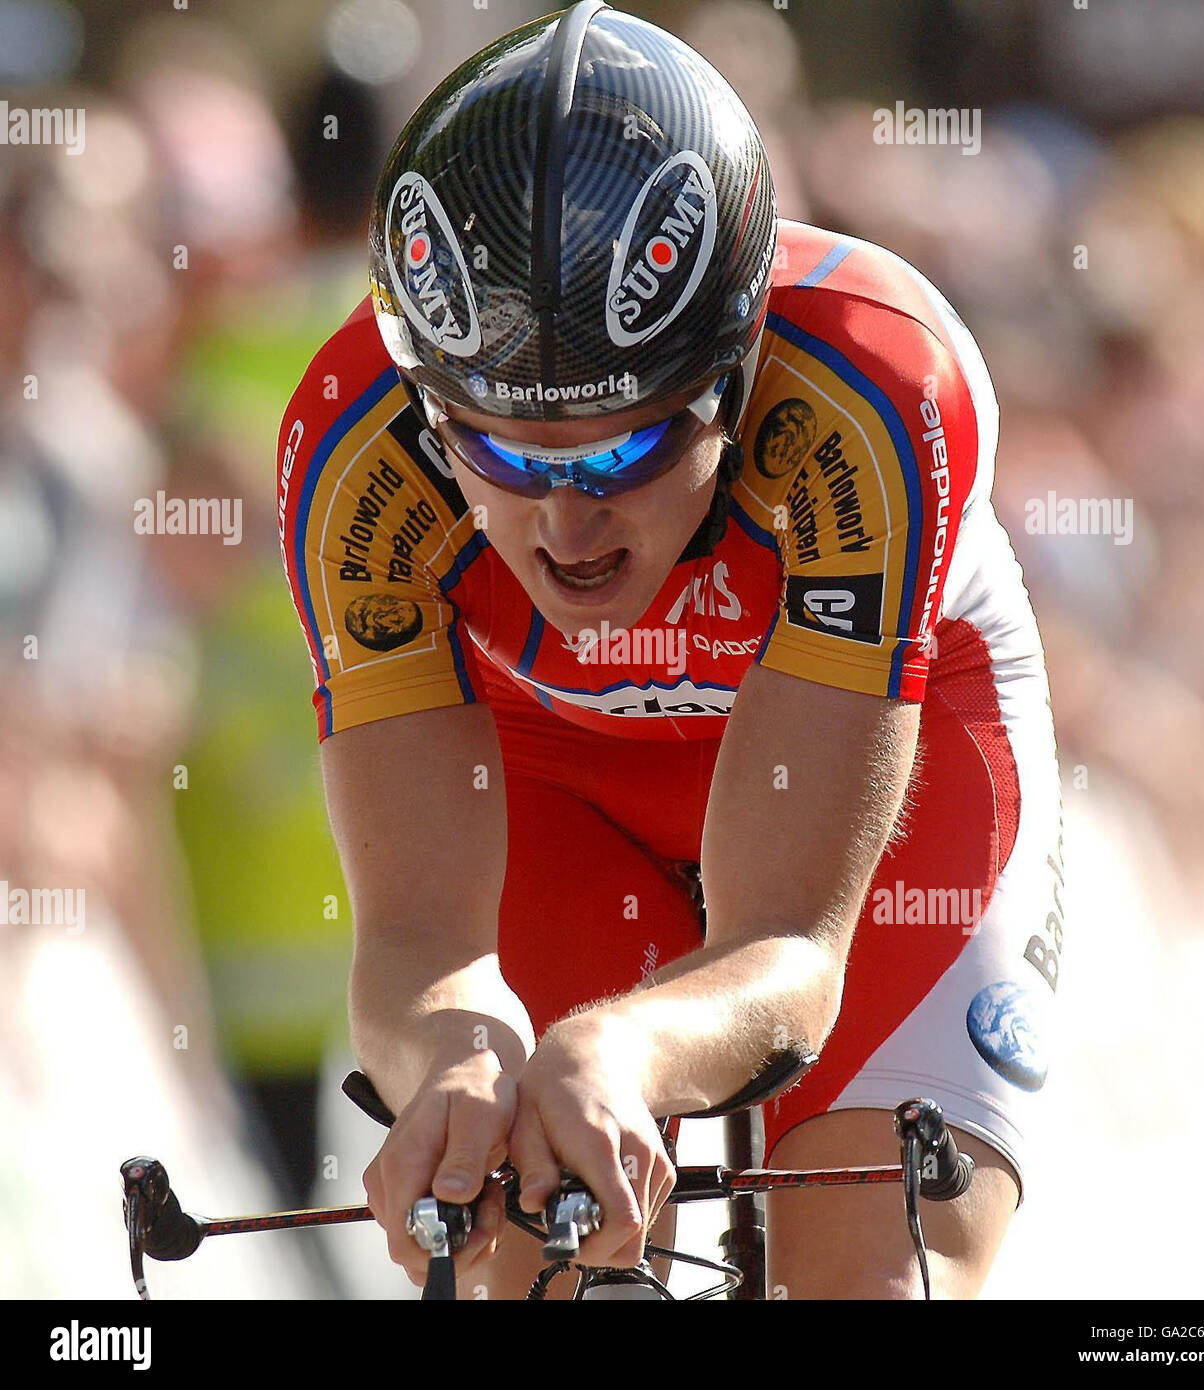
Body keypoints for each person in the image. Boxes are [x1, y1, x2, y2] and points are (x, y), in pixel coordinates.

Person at [277, 1, 1062, 1299]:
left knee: (870, 1279)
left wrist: (628, 1045)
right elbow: (417, 936)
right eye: (503, 455)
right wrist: (463, 1055)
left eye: (629, 448)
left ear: (740, 369)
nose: (568, 523)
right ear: (427, 398)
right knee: (541, 1265)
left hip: (885, 768)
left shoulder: (871, 384)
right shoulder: (357, 444)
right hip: (553, 770)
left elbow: (791, 946)